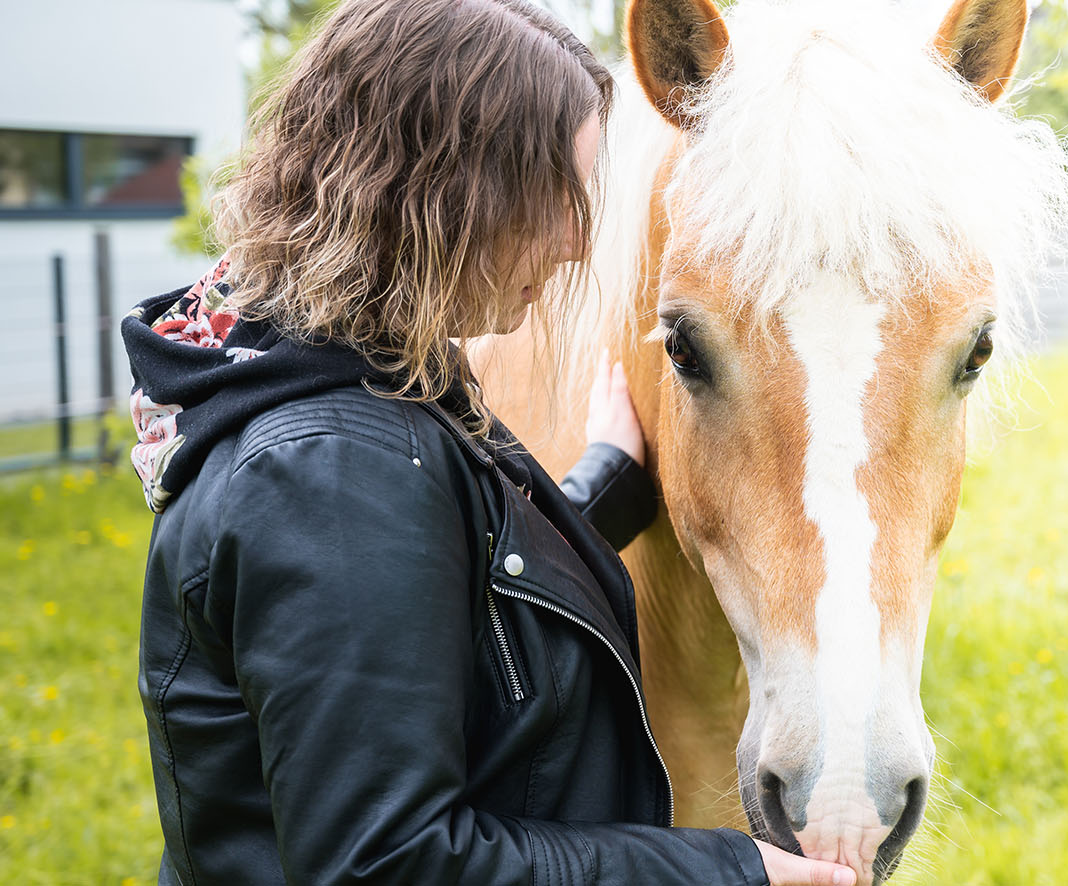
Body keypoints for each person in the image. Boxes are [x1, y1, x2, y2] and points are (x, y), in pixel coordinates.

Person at [122, 1, 861, 884]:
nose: (579, 242)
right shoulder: (326, 472)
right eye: (560, 198)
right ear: (444, 191)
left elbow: (426, 586)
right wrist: (732, 873)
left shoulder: (346, 382)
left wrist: (602, 486)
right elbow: (388, 865)